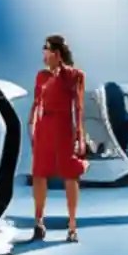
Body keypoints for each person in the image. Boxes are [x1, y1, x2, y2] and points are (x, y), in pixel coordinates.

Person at [30, 34, 87, 243]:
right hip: (44, 127)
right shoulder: (41, 76)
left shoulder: (74, 75)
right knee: (39, 173)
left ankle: (72, 225)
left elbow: (78, 106)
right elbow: (36, 104)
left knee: (70, 174)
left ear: (56, 53)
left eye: (46, 50)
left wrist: (79, 136)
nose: (43, 54)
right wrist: (32, 127)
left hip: (64, 127)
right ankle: (38, 222)